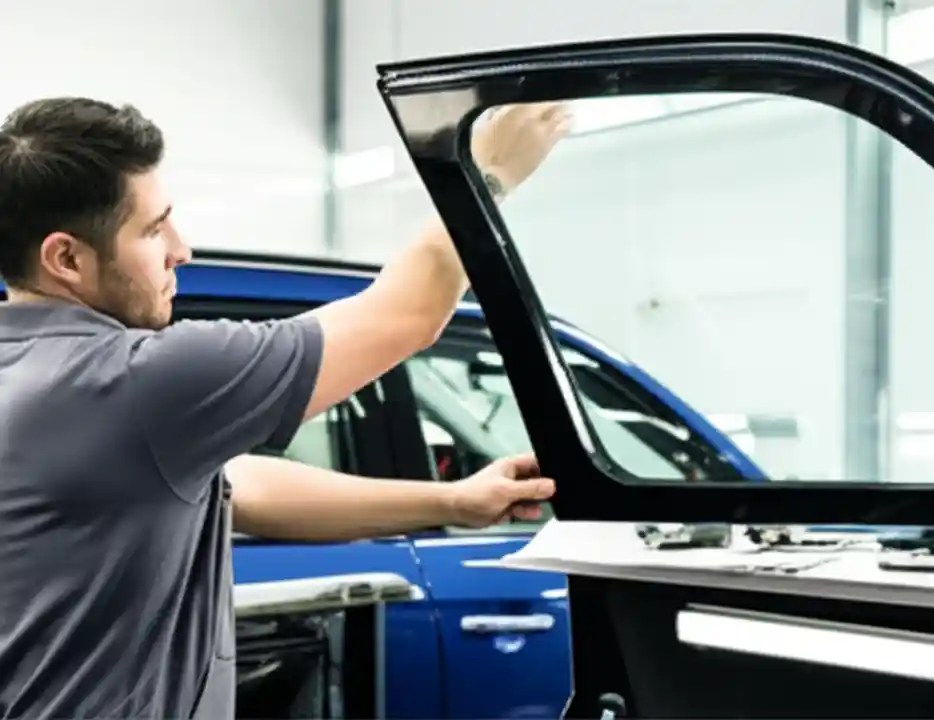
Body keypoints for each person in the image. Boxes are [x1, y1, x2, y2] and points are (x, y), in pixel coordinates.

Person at [0, 96, 571, 719]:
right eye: (152, 228)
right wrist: (484, 174)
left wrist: (451, 501)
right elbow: (409, 313)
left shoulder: (39, 379)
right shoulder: (139, 381)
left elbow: (233, 484)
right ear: (66, 259)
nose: (180, 249)